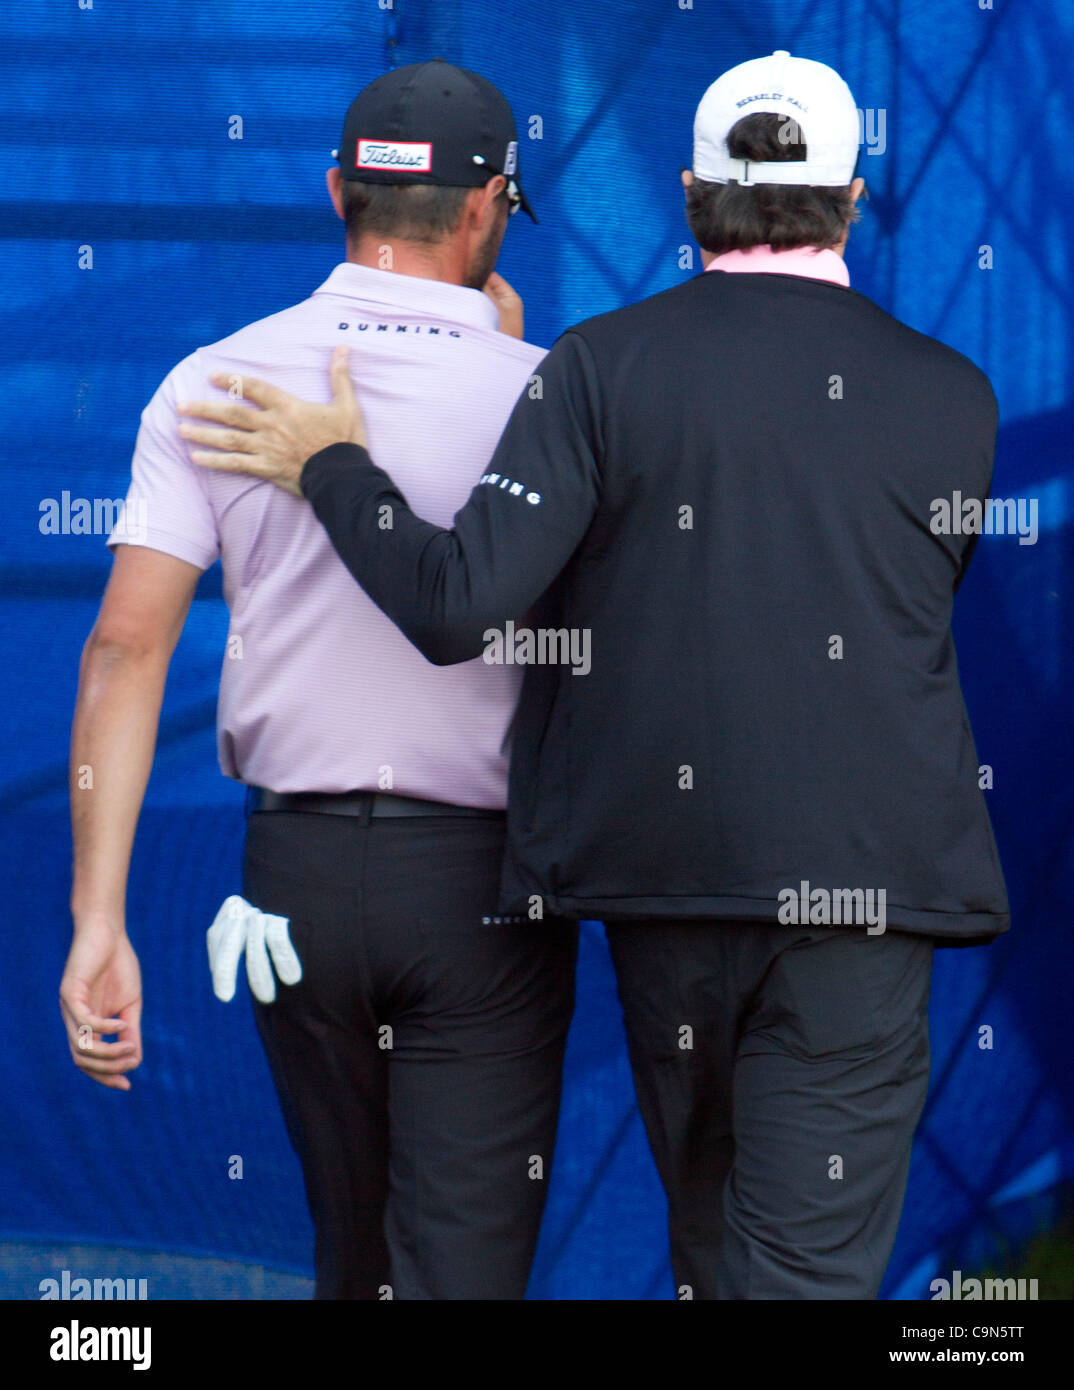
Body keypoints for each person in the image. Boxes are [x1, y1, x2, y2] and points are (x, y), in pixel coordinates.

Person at [178, 49, 1010, 1300]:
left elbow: (456, 600)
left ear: (686, 195)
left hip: (662, 883)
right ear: (850, 200)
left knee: (710, 1253)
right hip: (865, 894)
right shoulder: (955, 396)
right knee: (800, 1274)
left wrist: (335, 466)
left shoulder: (596, 369)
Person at [59, 59, 578, 1302]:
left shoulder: (215, 377)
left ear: (337, 189)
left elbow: (124, 651)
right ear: (488, 209)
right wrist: (504, 369)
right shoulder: (558, 396)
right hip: (484, 889)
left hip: (289, 886)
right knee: (462, 1267)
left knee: (352, 1256)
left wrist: (99, 918)